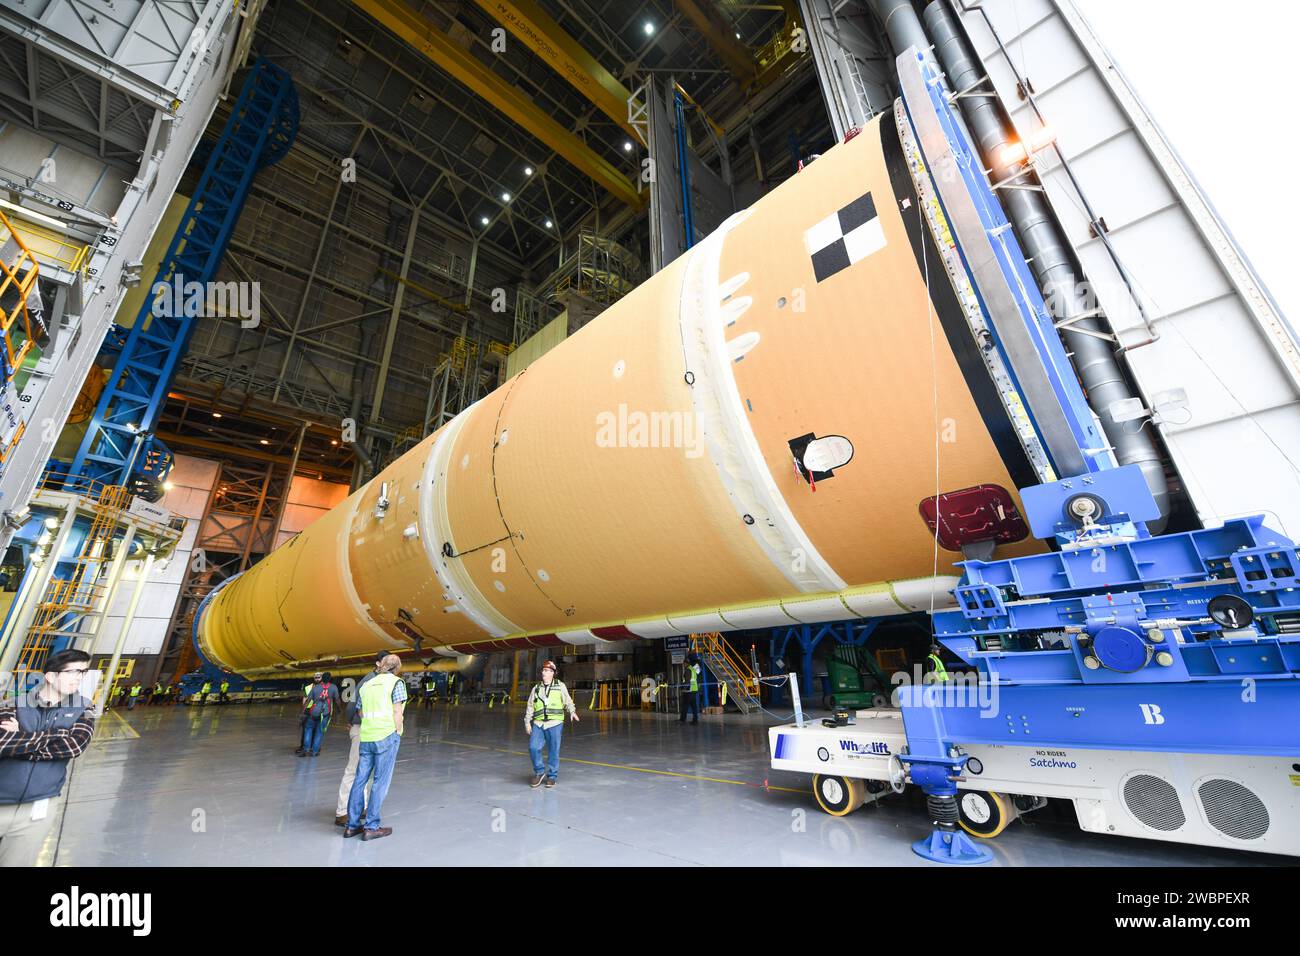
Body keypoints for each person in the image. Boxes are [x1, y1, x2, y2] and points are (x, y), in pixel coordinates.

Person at [0, 649, 96, 866]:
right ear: (51, 676)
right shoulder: (11, 704)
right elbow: (3, 743)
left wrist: (22, 735)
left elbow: (73, 746)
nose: (79, 677)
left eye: (83, 672)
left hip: (38, 808)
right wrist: (58, 734)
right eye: (74, 671)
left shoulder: (85, 709)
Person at [345, 654, 406, 841]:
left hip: (367, 736)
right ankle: (371, 826)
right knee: (380, 782)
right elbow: (397, 711)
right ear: (396, 668)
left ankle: (352, 826)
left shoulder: (367, 684)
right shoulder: (397, 683)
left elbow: (360, 711)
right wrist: (397, 731)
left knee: (359, 780)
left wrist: (371, 723)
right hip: (386, 736)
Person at [335, 652, 385, 826]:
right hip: (362, 728)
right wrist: (351, 721)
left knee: (366, 771)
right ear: (379, 663)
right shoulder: (370, 680)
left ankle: (359, 807)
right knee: (354, 769)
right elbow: (352, 704)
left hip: (371, 730)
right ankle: (342, 811)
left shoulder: (381, 680)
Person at [524, 660, 578, 788]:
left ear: (553, 673)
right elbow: (530, 706)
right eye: (543, 670)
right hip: (538, 724)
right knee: (533, 747)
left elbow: (568, 701)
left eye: (547, 671)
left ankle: (552, 776)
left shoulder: (560, 686)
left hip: (555, 723)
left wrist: (572, 711)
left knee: (554, 751)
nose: (544, 672)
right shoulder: (536, 688)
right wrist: (527, 722)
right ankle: (539, 772)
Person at [299, 672, 340, 757]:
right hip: (325, 713)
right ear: (330, 679)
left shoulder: (316, 688)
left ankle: (306, 749)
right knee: (319, 732)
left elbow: (308, 701)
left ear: (322, 678)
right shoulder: (333, 687)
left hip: (313, 713)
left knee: (308, 729)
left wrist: (302, 712)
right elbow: (337, 700)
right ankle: (314, 752)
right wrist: (339, 709)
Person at [679, 653, 701, 724]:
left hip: (689, 690)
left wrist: (682, 687)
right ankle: (695, 720)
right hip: (694, 690)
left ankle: (683, 719)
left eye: (683, 663)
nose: (683, 665)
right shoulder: (693, 669)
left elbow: (687, 681)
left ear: (686, 663)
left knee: (685, 705)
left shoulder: (688, 670)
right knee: (694, 706)